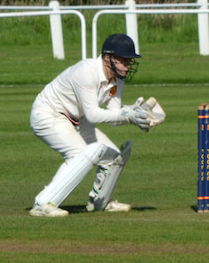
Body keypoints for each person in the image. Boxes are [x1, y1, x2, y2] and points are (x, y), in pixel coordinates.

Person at [29, 33, 165, 217]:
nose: (128, 66)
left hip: (78, 118)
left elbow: (115, 118)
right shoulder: (86, 72)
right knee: (78, 154)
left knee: (113, 157)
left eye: (130, 61)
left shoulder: (118, 79)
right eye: (123, 60)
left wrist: (136, 114)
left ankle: (99, 202)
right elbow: (94, 114)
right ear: (108, 58)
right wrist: (127, 114)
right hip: (49, 113)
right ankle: (42, 204)